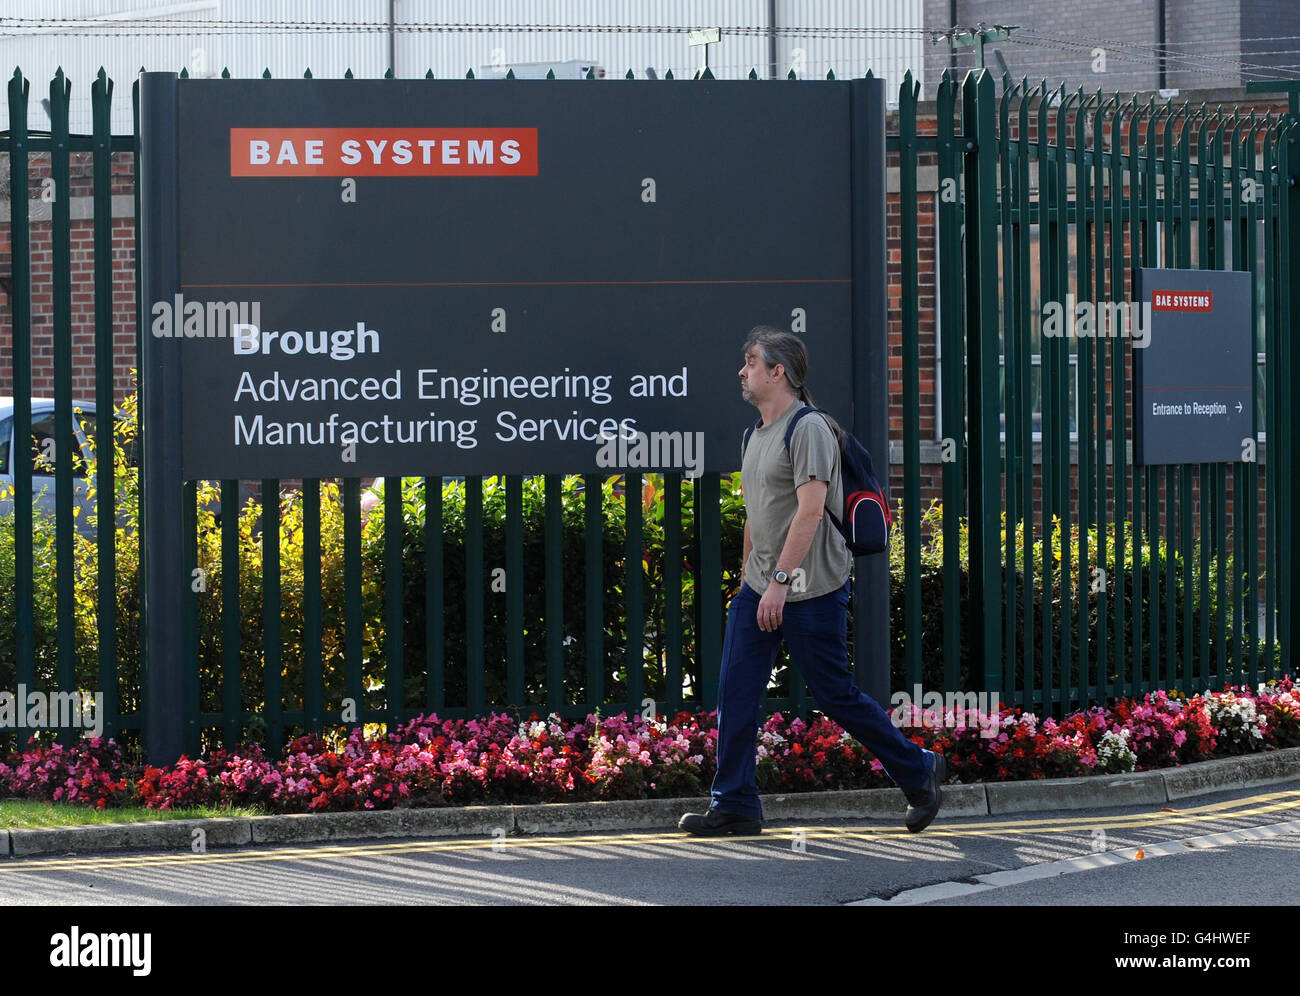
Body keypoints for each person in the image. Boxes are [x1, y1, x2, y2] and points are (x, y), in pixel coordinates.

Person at [678, 326, 947, 836]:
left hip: (812, 590)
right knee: (736, 691)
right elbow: (757, 516)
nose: (742, 371)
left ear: (779, 372)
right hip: (761, 587)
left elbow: (809, 513)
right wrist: (748, 582)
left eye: (751, 361)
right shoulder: (753, 433)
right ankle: (735, 803)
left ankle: (918, 769)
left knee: (835, 694)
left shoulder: (809, 429)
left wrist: (780, 581)